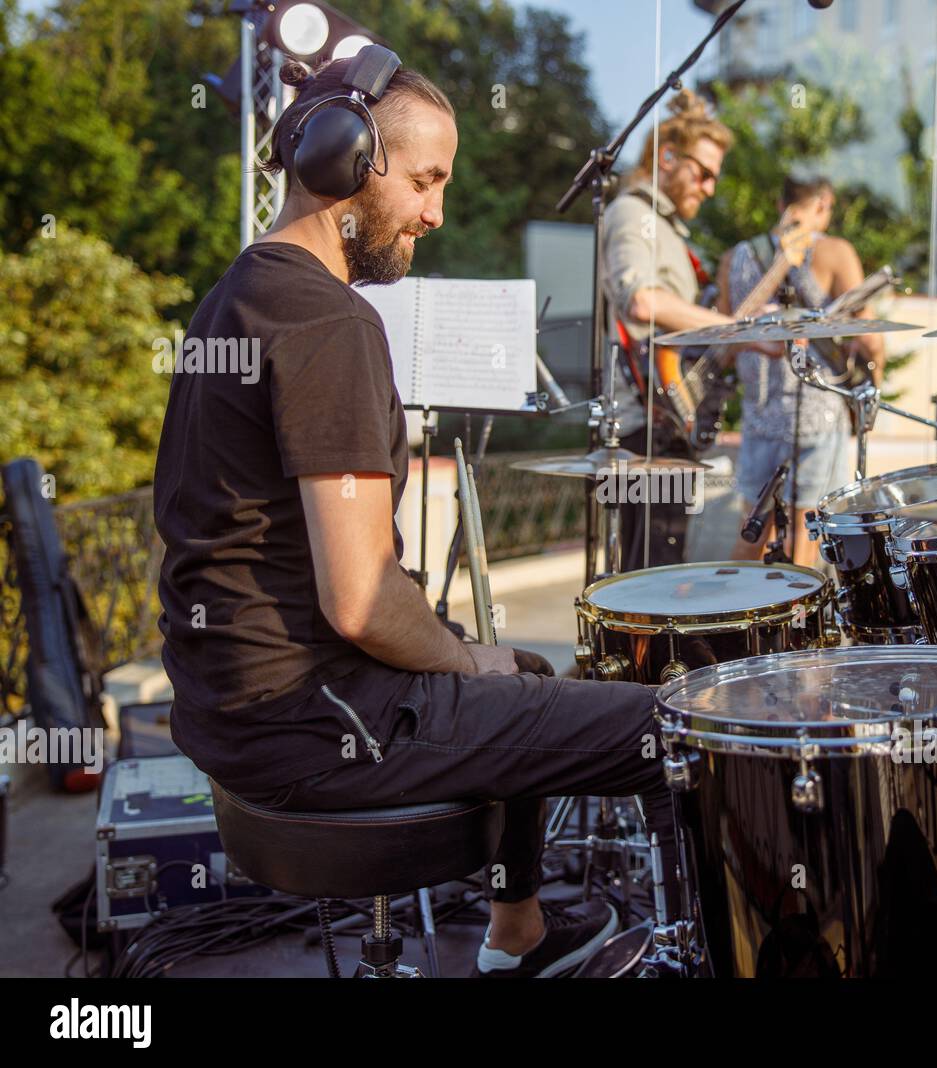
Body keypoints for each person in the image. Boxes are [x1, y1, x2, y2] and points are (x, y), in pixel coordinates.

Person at [152, 50, 679, 979]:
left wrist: (482, 663)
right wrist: (460, 657)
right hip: (315, 727)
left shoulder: (232, 298)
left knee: (518, 664)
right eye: (426, 180)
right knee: (683, 730)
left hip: (233, 715)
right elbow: (360, 601)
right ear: (347, 164)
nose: (435, 213)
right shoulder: (328, 323)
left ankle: (517, 935)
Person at [600, 90, 740, 567]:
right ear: (666, 156)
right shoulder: (632, 214)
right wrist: (730, 328)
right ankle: (643, 648)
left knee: (664, 561)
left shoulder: (666, 229)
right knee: (645, 569)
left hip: (663, 416)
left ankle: (663, 646)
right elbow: (639, 300)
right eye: (702, 173)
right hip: (639, 424)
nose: (709, 187)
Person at [721, 176, 885, 568]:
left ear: (781, 204)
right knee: (804, 534)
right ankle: (795, 627)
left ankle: (741, 619)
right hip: (816, 412)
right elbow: (871, 338)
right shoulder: (834, 252)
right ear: (822, 204)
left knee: (753, 529)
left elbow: (726, 342)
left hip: (759, 414)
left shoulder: (735, 258)